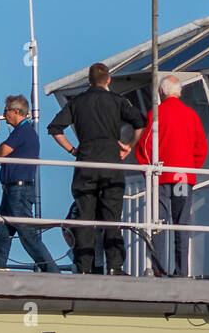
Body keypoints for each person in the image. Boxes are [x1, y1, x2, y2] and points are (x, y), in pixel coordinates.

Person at [47, 62, 145, 275]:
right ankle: (114, 266)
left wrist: (73, 150)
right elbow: (140, 122)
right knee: (112, 217)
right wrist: (128, 146)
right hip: (110, 163)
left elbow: (55, 128)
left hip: (86, 163)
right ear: (108, 80)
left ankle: (84, 267)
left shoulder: (78, 102)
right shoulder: (117, 101)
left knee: (85, 217)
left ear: (89, 80)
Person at [135, 75, 208, 276]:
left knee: (158, 223)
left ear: (161, 92)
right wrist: (190, 169)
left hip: (160, 177)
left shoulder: (154, 115)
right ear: (179, 92)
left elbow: (144, 147)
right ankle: (181, 271)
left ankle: (157, 269)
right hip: (183, 178)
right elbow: (201, 148)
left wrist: (147, 171)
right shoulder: (191, 115)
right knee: (181, 223)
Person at [0, 95, 59, 272]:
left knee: (27, 233)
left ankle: (51, 271)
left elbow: (2, 151)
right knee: (2, 233)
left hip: (18, 190)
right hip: (11, 190)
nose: (4, 115)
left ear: (16, 111)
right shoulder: (21, 132)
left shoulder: (23, 131)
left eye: (6, 111)